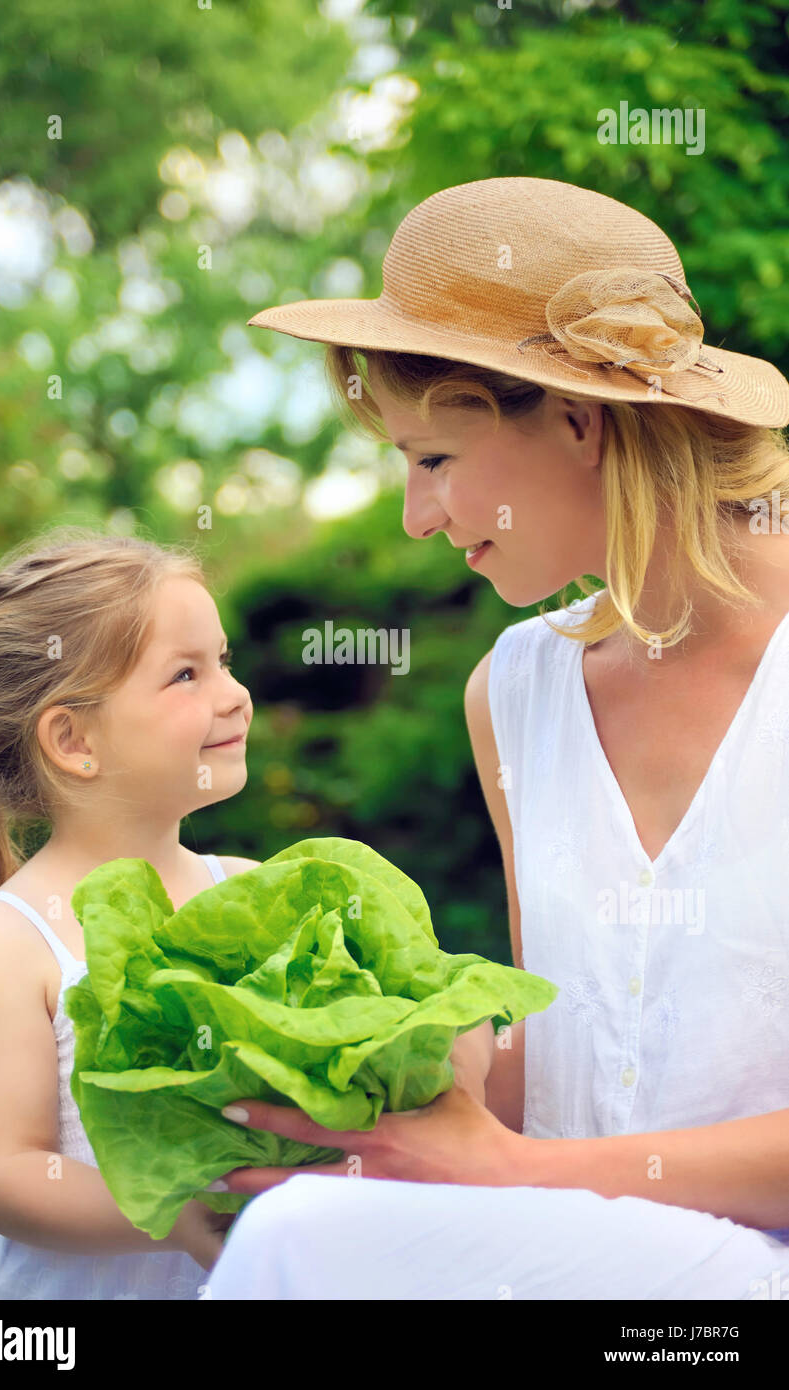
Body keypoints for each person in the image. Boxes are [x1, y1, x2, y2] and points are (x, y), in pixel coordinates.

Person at [196, 177, 789, 1300]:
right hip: (581, 1257)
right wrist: (397, 1069)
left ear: (576, 420)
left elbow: (517, 1156)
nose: (419, 518)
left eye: (433, 459)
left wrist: (514, 1169)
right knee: (304, 1216)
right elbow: (552, 1040)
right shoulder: (515, 688)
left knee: (295, 1249)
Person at [0, 530, 262, 1298]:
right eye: (186, 674)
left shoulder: (246, 892)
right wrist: (173, 1210)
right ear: (73, 739)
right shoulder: (16, 937)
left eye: (225, 661)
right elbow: (9, 1174)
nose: (233, 693)